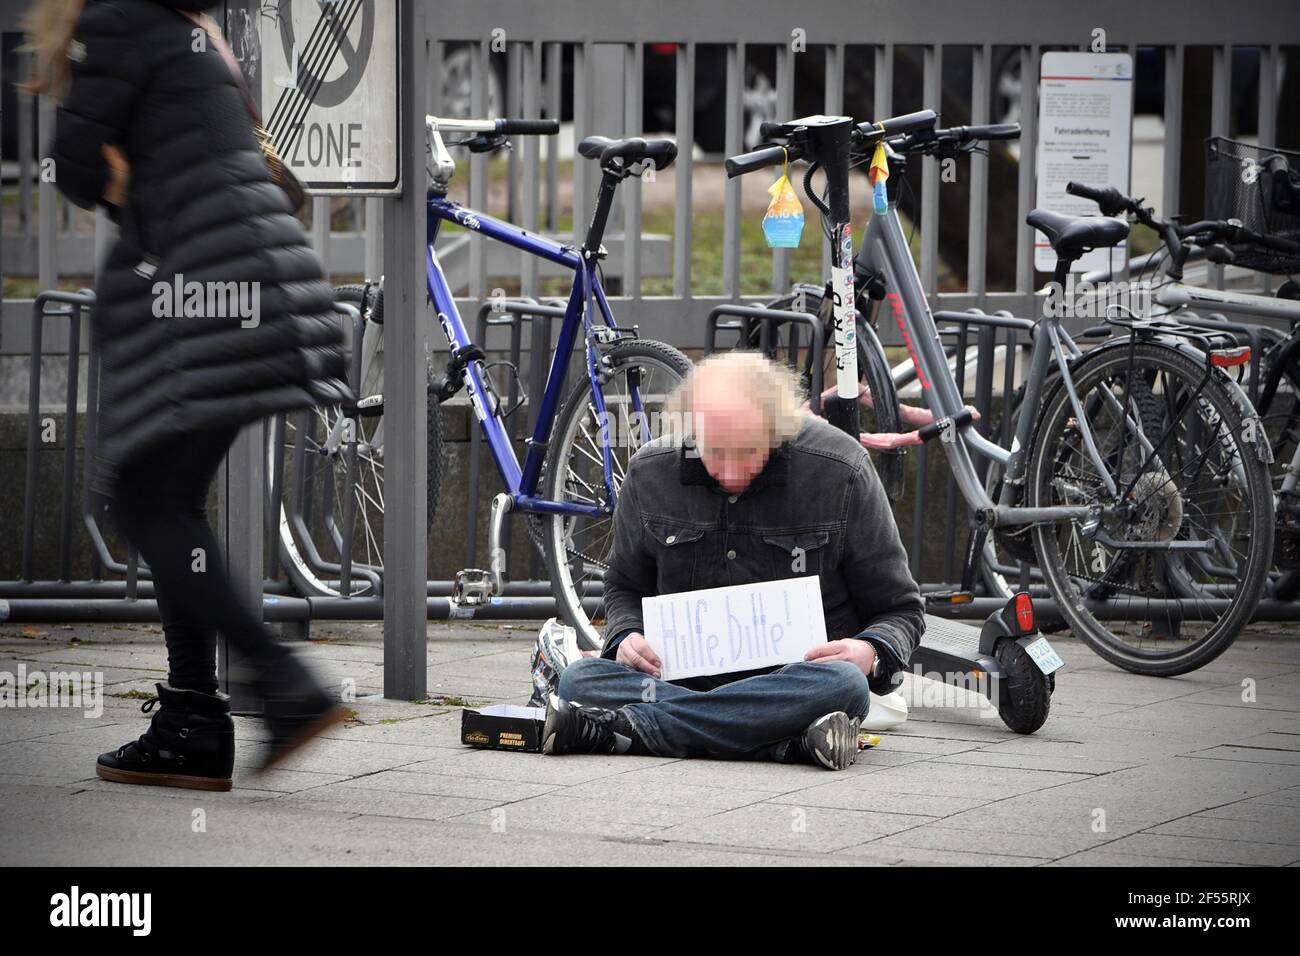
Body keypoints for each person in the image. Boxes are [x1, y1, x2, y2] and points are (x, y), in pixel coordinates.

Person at [25, 0, 354, 791]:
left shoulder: (118, 20)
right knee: (169, 501)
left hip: (205, 288)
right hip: (260, 279)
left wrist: (130, 186)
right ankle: (192, 721)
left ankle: (284, 686)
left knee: (147, 502)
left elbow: (71, 158)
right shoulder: (199, 32)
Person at [544, 351, 925, 770]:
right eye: (714, 452)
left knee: (847, 686)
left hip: (792, 683)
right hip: (680, 680)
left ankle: (630, 729)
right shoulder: (650, 472)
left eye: (747, 451)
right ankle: (780, 743)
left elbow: (901, 609)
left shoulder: (841, 469)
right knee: (579, 677)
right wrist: (627, 636)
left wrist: (868, 651)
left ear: (777, 429)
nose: (729, 471)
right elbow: (624, 585)